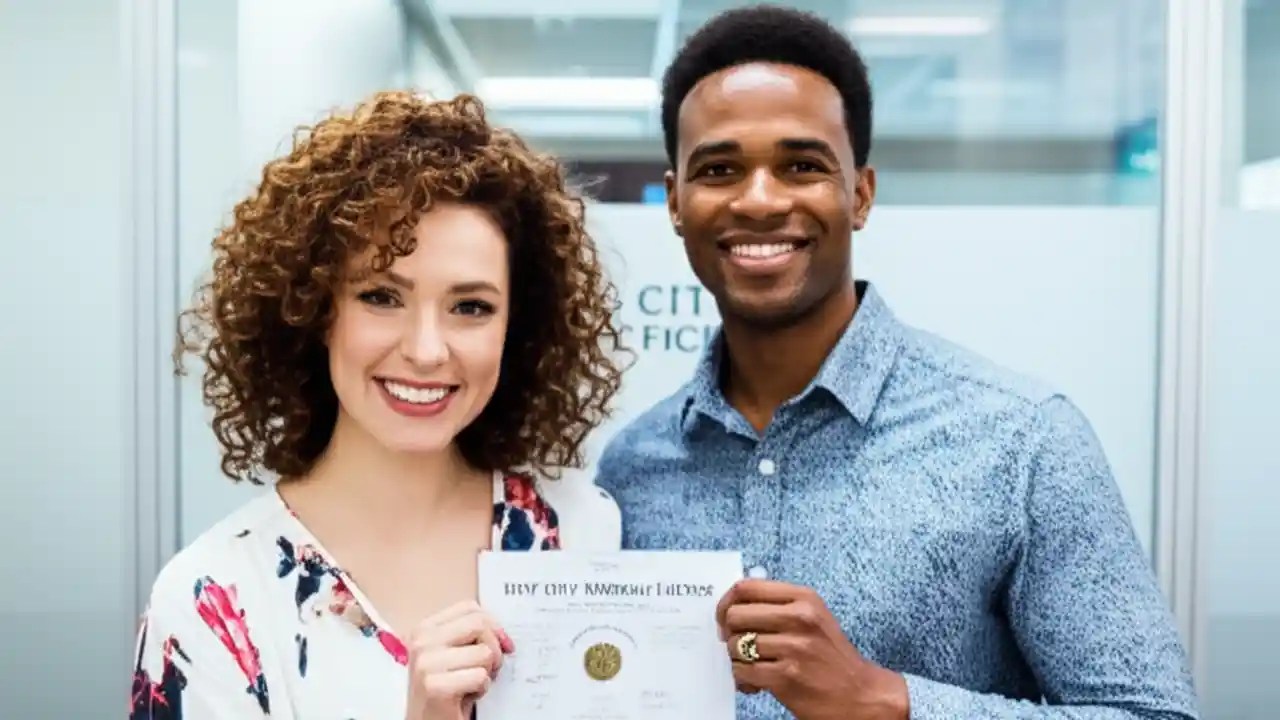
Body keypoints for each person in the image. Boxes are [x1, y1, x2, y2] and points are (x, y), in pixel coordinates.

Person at [594, 5, 1199, 720]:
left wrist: (883, 700)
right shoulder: (632, 469)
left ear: (860, 194)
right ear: (676, 201)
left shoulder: (1023, 440)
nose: (759, 200)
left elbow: (1156, 715)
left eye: (802, 165)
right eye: (720, 169)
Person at [130, 90, 627, 719]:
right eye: (381, 297)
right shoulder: (213, 600)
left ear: (517, 329)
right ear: (313, 308)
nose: (425, 350)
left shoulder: (586, 530)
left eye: (470, 307)